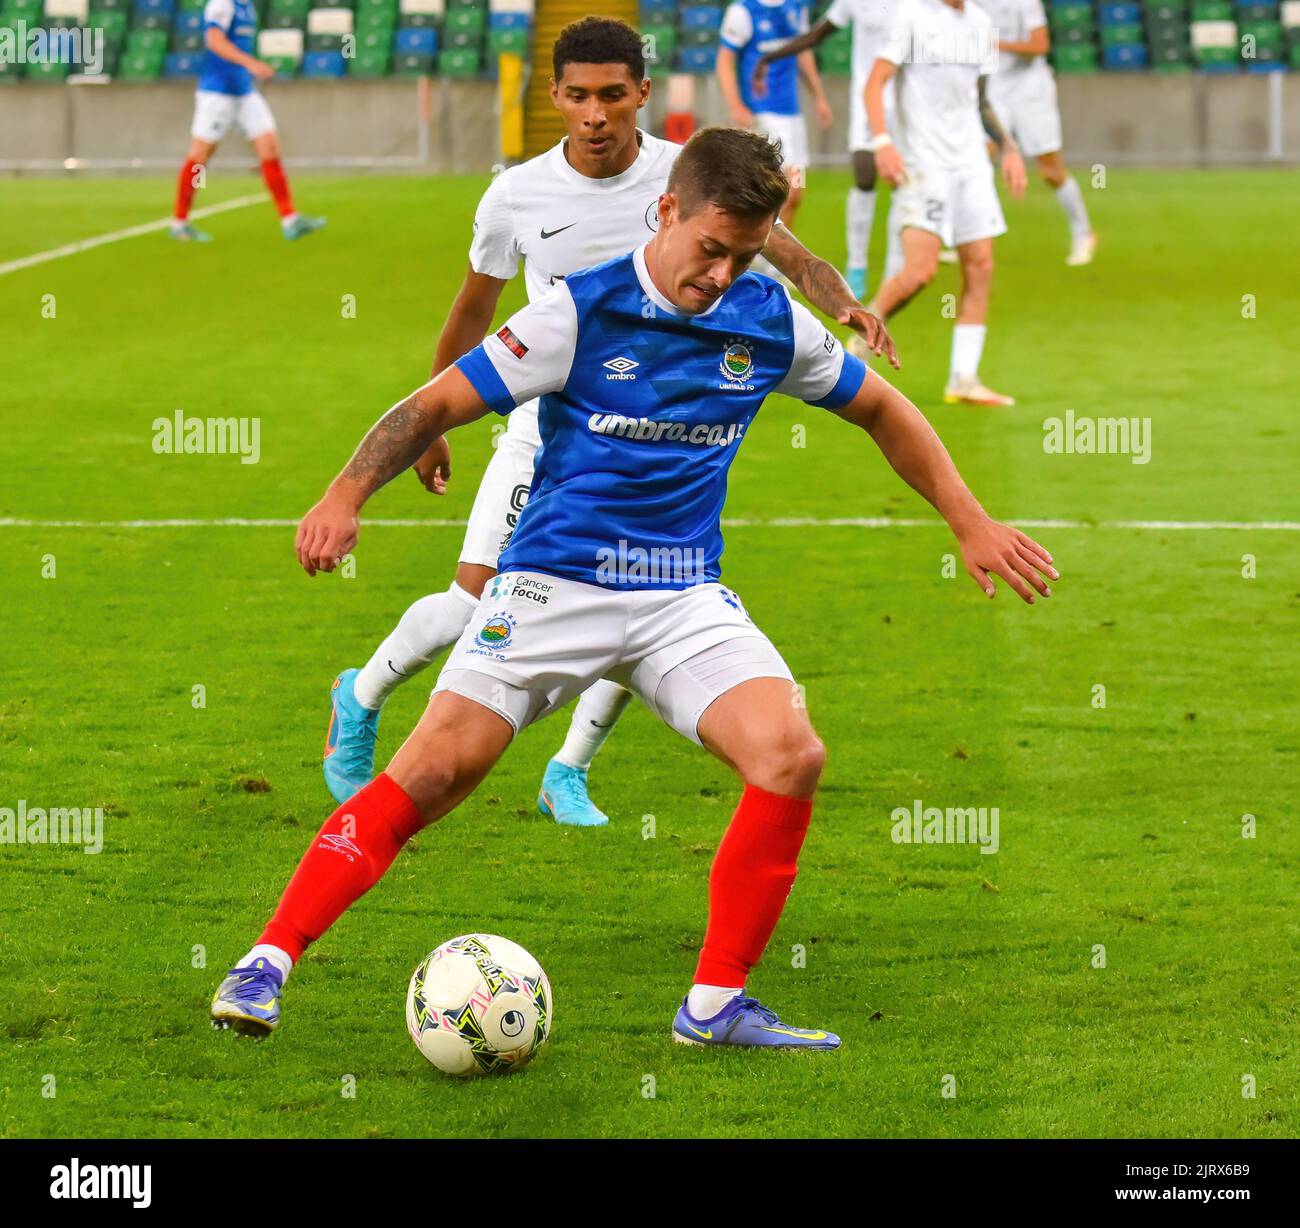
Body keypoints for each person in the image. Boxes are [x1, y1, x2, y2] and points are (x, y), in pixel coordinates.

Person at [211, 126, 1057, 1049]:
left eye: (743, 254)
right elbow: (434, 404)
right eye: (708, 249)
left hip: (680, 595)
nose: (721, 274)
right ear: (667, 212)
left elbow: (883, 409)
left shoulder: (766, 319)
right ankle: (267, 962)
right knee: (432, 775)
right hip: (551, 587)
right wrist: (344, 494)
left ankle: (713, 1007)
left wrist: (969, 520)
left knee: (790, 754)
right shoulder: (577, 313)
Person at [323, 16, 896, 828]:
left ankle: (567, 769)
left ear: (643, 96)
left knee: (648, 592)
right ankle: (363, 692)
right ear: (556, 95)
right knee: (471, 603)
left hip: (662, 428)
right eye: (581, 97)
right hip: (544, 432)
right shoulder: (515, 194)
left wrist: (845, 306)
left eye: (614, 97)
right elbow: (474, 308)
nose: (597, 114)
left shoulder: (689, 176)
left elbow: (787, 254)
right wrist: (433, 424)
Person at [865, 0, 1026, 405]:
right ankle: (860, 338)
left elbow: (981, 101)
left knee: (981, 265)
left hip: (971, 165)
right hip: (924, 164)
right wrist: (882, 143)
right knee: (920, 272)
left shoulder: (980, 23)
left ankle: (963, 378)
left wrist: (1008, 147)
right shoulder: (912, 15)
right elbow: (875, 83)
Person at [753, 0, 903, 299]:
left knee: (901, 184)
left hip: (905, 103)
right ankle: (857, 265)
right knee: (863, 176)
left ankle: (894, 271)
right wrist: (773, 56)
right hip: (867, 98)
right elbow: (818, 34)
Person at [171, 0, 325, 242]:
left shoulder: (247, 6)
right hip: (218, 93)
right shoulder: (222, 4)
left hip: (243, 91)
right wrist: (250, 63)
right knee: (200, 159)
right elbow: (214, 41)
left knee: (270, 147)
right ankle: (180, 221)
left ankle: (289, 219)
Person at [979, 0, 1096, 265]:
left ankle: (1084, 233)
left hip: (1030, 92)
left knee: (1050, 170)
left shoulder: (1026, 3)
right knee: (979, 160)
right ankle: (967, 238)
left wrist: (995, 44)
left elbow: (1040, 45)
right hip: (996, 90)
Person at [716, 0, 832, 232]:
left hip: (793, 117)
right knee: (784, 191)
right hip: (763, 116)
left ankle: (769, 262)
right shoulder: (743, 11)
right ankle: (759, 258)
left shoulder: (796, 7)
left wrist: (819, 96)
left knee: (796, 194)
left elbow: (803, 53)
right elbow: (724, 60)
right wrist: (737, 105)